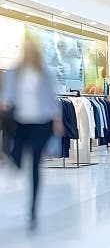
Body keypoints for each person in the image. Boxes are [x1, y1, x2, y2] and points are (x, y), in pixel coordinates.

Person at [0, 40, 63, 227]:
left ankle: (33, 209)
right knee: (15, 157)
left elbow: (53, 98)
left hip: (41, 124)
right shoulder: (14, 72)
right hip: (20, 123)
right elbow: (7, 94)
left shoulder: (45, 73)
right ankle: (16, 160)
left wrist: (57, 120)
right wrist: (4, 103)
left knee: (34, 164)